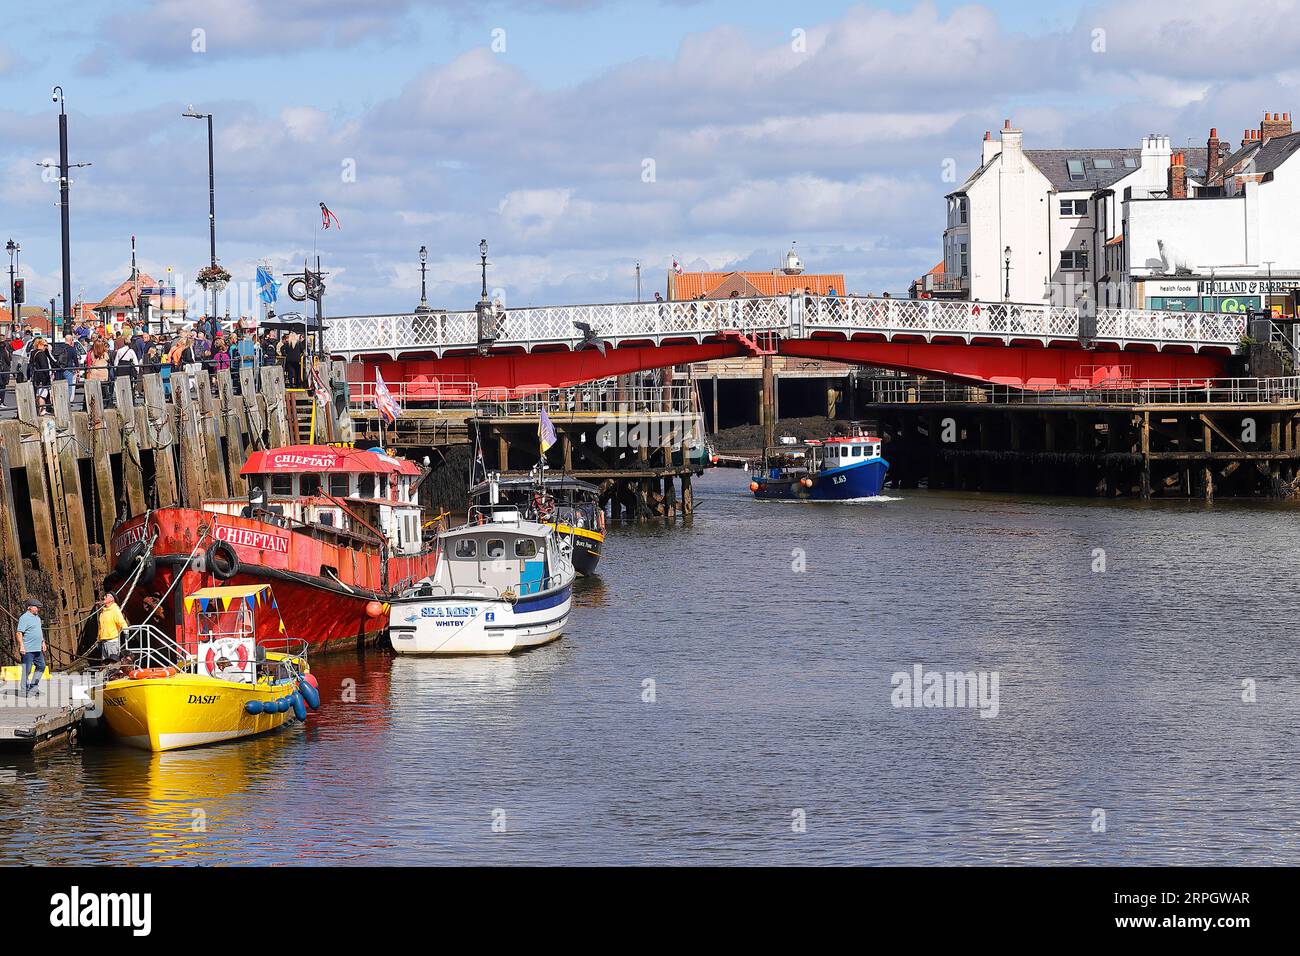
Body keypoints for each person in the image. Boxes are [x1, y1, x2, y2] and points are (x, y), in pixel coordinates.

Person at [15, 598, 46, 696]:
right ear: (29, 608)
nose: (38, 609)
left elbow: (39, 631)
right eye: (36, 607)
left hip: (37, 648)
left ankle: (33, 687)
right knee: (27, 670)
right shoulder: (24, 618)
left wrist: (43, 642)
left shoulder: (37, 618)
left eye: (38, 607)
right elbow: (19, 633)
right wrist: (22, 646)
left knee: (41, 666)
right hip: (28, 649)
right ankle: (24, 691)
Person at [28, 336, 55, 414]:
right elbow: (44, 366)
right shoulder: (41, 354)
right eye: (44, 345)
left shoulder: (33, 353)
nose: (46, 347)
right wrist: (48, 376)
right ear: (40, 344)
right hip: (43, 377)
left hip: (36, 376)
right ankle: (42, 410)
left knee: (39, 394)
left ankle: (39, 410)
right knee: (42, 394)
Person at [98, 592, 128, 663]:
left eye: (107, 596)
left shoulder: (115, 610)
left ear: (112, 599)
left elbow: (121, 621)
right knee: (105, 662)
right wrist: (99, 639)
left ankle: (115, 673)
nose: (105, 597)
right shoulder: (103, 611)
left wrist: (126, 631)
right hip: (104, 641)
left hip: (112, 641)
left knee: (113, 662)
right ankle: (108, 673)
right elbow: (101, 627)